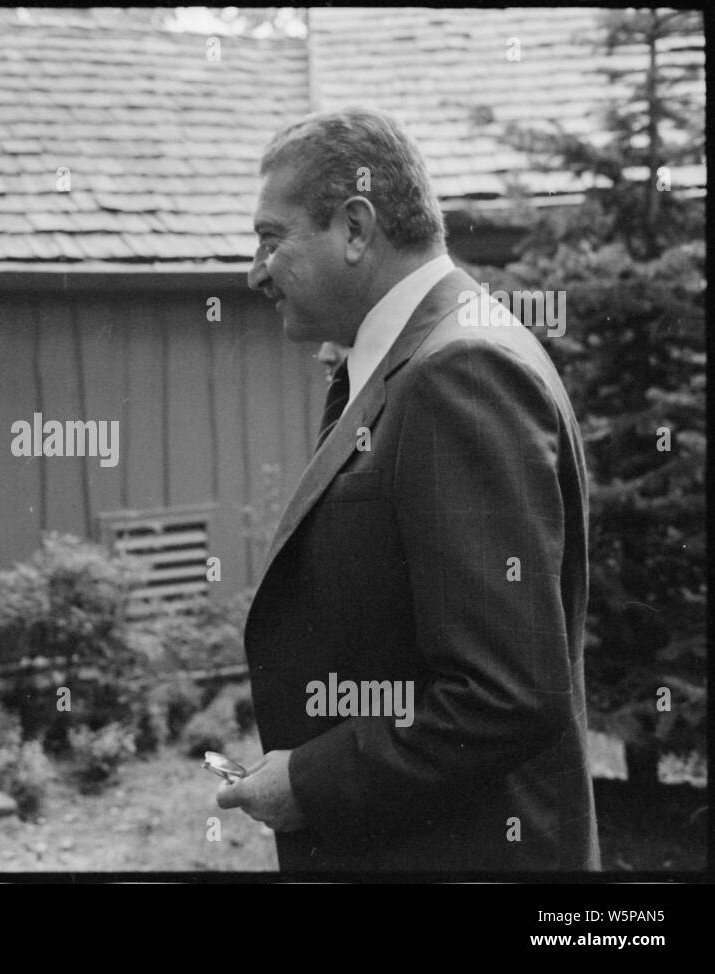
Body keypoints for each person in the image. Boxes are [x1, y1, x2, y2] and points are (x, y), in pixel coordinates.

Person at [217, 107, 600, 870]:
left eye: (270, 239)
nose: (254, 272)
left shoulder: (458, 371)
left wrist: (309, 782)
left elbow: (505, 693)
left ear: (355, 228)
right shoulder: (407, 358)